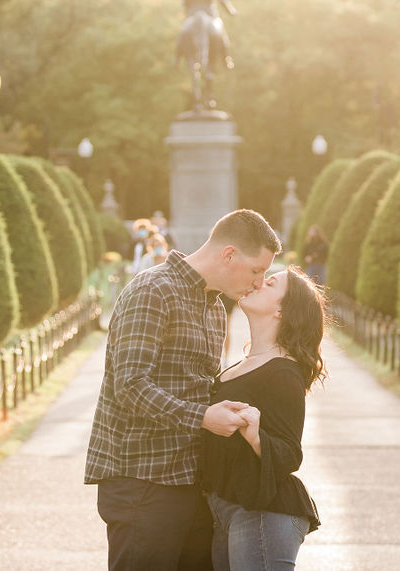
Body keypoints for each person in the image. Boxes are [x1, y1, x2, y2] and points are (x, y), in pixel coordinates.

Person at [86, 209, 283, 570]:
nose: (260, 282)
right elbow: (129, 385)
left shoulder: (214, 309)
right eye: (257, 270)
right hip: (141, 481)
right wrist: (204, 417)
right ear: (228, 255)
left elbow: (200, 388)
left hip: (189, 483)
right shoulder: (152, 291)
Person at [202, 267, 327, 571]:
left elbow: (289, 454)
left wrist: (255, 435)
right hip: (224, 507)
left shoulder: (283, 372)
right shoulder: (242, 364)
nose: (258, 281)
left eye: (270, 283)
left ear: (282, 310)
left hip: (263, 512)